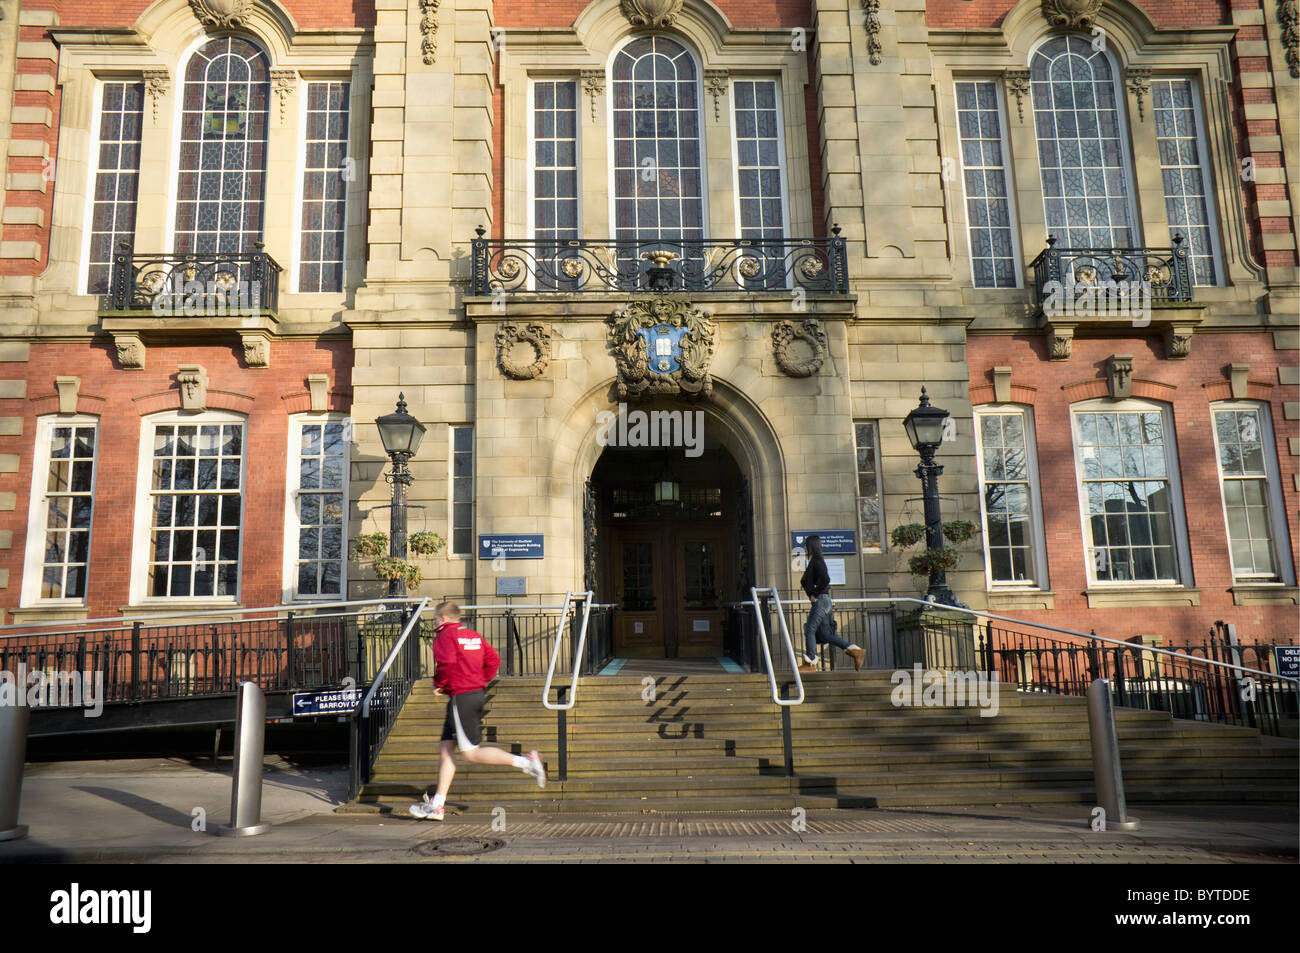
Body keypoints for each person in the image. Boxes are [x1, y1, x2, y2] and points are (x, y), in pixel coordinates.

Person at [409, 601, 545, 821]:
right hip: (471, 693)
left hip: (462, 697)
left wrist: (438, 683)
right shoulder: (472, 635)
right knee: (445, 748)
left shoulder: (445, 635)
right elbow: (493, 659)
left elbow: (446, 662)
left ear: (443, 619)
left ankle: (527, 761)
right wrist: (479, 680)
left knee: (471, 753)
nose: (433, 621)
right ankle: (437, 804)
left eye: (435, 618)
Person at [798, 536, 866, 673]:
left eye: (807, 545)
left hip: (821, 601)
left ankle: (810, 662)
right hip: (824, 601)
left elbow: (826, 579)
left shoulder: (817, 560)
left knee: (810, 629)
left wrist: (814, 594)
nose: (805, 548)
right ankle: (855, 651)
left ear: (812, 546)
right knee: (825, 634)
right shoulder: (815, 561)